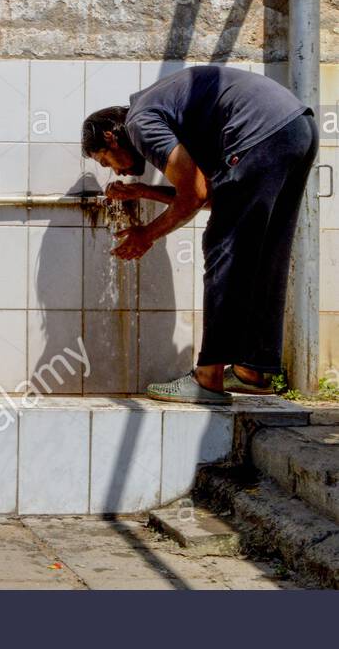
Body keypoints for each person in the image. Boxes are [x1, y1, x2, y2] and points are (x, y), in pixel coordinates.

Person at [82, 65, 317, 404]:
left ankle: (207, 378)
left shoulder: (139, 123)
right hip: (297, 127)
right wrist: (145, 192)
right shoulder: (175, 114)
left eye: (107, 161)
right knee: (265, 251)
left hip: (262, 131)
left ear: (110, 136)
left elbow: (193, 196)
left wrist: (147, 234)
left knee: (222, 248)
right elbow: (212, 197)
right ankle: (253, 370)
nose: (117, 170)